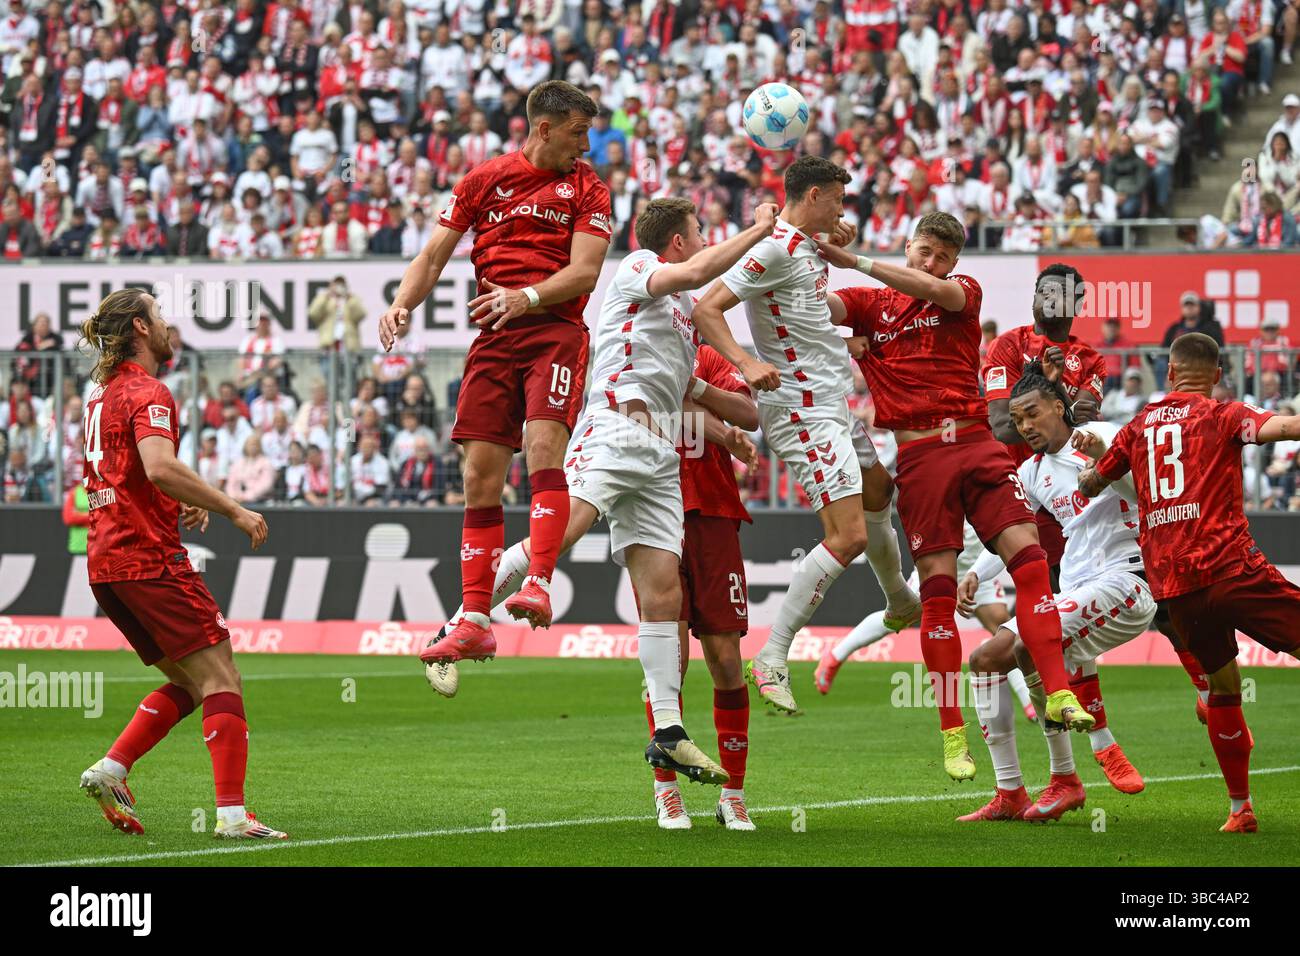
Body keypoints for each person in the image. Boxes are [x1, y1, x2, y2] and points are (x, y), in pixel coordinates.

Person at [431, 197, 776, 826]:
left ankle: (668, 730)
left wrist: (724, 432)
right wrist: (759, 231)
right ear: (675, 241)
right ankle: (463, 616)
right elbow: (699, 277)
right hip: (616, 431)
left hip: (662, 457)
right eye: (697, 232)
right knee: (561, 537)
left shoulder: (676, 316)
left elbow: (689, 385)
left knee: (663, 595)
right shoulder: (639, 267)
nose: (701, 241)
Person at [823, 211, 1091, 781]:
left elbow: (932, 289)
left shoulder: (961, 293)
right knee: (938, 595)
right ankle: (951, 733)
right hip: (921, 458)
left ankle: (1060, 692)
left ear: (955, 264)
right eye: (923, 250)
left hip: (975, 443)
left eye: (943, 256)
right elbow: (807, 308)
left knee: (1032, 561)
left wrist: (859, 261)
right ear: (908, 244)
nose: (931, 262)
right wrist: (813, 256)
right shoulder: (868, 304)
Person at [381, 81, 613, 661]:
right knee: (479, 478)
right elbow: (433, 255)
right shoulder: (484, 179)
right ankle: (476, 618)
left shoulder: (588, 187)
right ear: (544, 128)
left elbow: (585, 273)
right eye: (578, 132)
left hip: (554, 333)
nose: (585, 144)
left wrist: (525, 298)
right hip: (494, 338)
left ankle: (537, 581)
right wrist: (401, 303)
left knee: (542, 450)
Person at [691, 155, 920, 718]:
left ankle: (897, 600)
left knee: (878, 493)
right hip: (800, 409)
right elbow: (707, 307)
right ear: (814, 194)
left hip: (831, 402)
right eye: (839, 198)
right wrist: (744, 362)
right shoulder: (772, 250)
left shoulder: (805, 243)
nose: (846, 209)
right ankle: (772, 656)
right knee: (848, 537)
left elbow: (802, 311)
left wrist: (844, 342)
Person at [75, 288, 283, 840]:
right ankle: (233, 816)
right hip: (149, 559)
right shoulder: (150, 391)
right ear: (141, 329)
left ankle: (112, 768)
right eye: (161, 316)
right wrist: (233, 508)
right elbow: (160, 467)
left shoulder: (99, 396)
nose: (169, 326)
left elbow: (123, 475)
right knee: (222, 676)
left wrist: (172, 501)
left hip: (106, 564)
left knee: (192, 684)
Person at [1080, 333, 1300, 833]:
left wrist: (1093, 464)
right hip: (1230, 568)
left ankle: (1240, 809)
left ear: (1170, 372)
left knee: (1223, 690)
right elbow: (1283, 427)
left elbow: (1093, 482)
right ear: (1217, 375)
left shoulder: (1137, 426)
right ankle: (1239, 809)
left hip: (1176, 587)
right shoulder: (1221, 414)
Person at [957, 362, 1154, 822]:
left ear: (1061, 408)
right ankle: (1011, 791)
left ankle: (1086, 759)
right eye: (1018, 419)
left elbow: (1145, 493)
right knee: (986, 660)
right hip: (1078, 589)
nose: (1024, 425)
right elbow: (1016, 532)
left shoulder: (1103, 435)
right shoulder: (1030, 472)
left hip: (1127, 581)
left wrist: (1105, 457)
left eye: (1032, 413)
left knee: (1032, 638)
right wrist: (978, 573)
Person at [982, 263, 1107, 565]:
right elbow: (1001, 426)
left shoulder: (1092, 361)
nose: (1050, 299)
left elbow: (1079, 435)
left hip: (1071, 491)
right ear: (1033, 300)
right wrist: (1069, 412)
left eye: (1060, 293)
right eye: (1043, 292)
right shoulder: (1007, 346)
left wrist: (1060, 395)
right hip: (1017, 488)